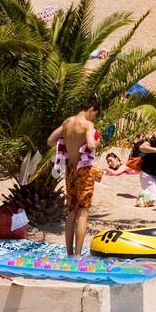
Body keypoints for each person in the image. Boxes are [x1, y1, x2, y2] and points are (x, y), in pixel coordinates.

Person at [47, 100, 102, 255]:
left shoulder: (67, 122)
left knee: (71, 212)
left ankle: (69, 253)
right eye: (94, 114)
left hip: (70, 170)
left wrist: (66, 142)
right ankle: (78, 255)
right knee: (83, 212)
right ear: (91, 109)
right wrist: (97, 141)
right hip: (83, 171)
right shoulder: (87, 125)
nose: (93, 118)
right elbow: (91, 145)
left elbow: (50, 140)